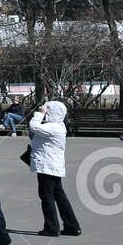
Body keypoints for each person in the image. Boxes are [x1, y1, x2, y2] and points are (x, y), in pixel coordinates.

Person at [28, 100, 81, 237]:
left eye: (47, 110)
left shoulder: (54, 127)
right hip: (52, 166)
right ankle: (72, 226)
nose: (45, 112)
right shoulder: (58, 126)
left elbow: (33, 126)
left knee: (47, 196)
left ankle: (52, 227)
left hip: (47, 166)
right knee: (59, 195)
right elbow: (34, 133)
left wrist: (39, 114)